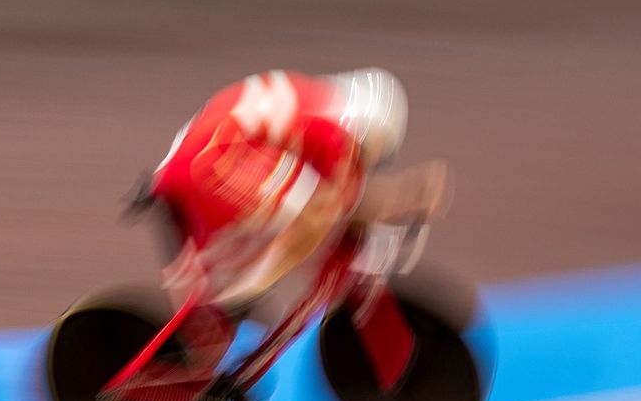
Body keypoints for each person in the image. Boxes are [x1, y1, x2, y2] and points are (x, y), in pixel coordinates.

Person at [146, 68, 449, 319]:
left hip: (188, 164)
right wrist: (400, 204)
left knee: (302, 213)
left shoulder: (316, 105)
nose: (362, 164)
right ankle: (247, 289)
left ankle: (217, 297)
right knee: (314, 216)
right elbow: (335, 204)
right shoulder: (334, 130)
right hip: (213, 158)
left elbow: (346, 199)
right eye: (368, 155)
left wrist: (399, 201)